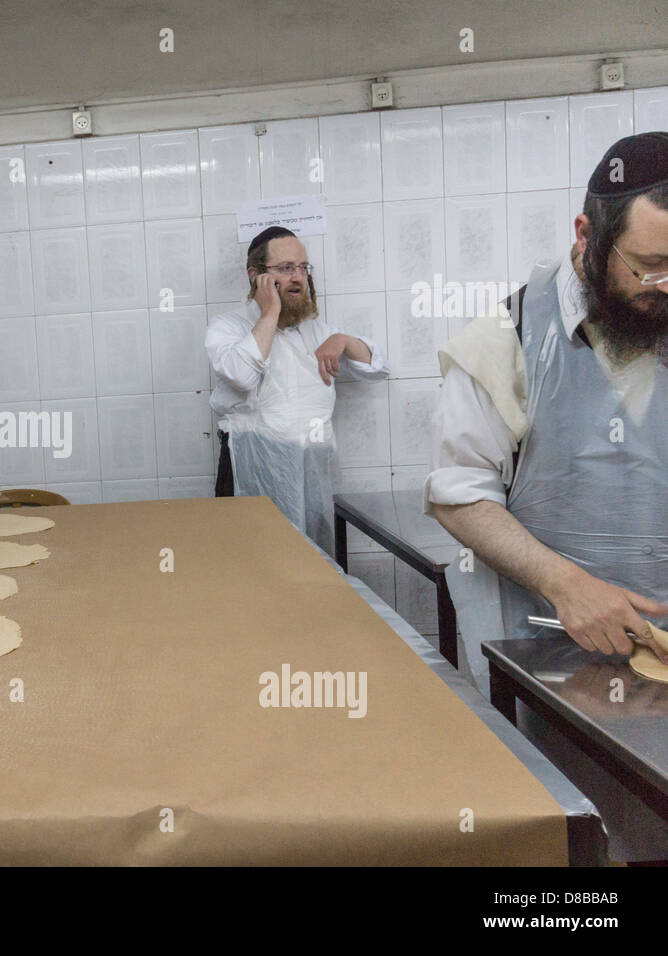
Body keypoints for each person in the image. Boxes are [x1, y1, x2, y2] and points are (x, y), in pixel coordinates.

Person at [426, 132, 668, 860]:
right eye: (649, 266)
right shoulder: (506, 335)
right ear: (587, 236)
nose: (667, 285)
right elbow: (457, 493)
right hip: (546, 654)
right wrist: (566, 583)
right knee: (571, 846)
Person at [206, 226, 389, 555]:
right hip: (252, 466)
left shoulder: (316, 329)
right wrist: (270, 312)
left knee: (315, 563)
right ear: (255, 275)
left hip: (312, 469)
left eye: (303, 268)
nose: (298, 277)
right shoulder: (227, 327)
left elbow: (377, 369)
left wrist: (345, 341)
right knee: (253, 562)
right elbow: (242, 376)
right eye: (286, 268)